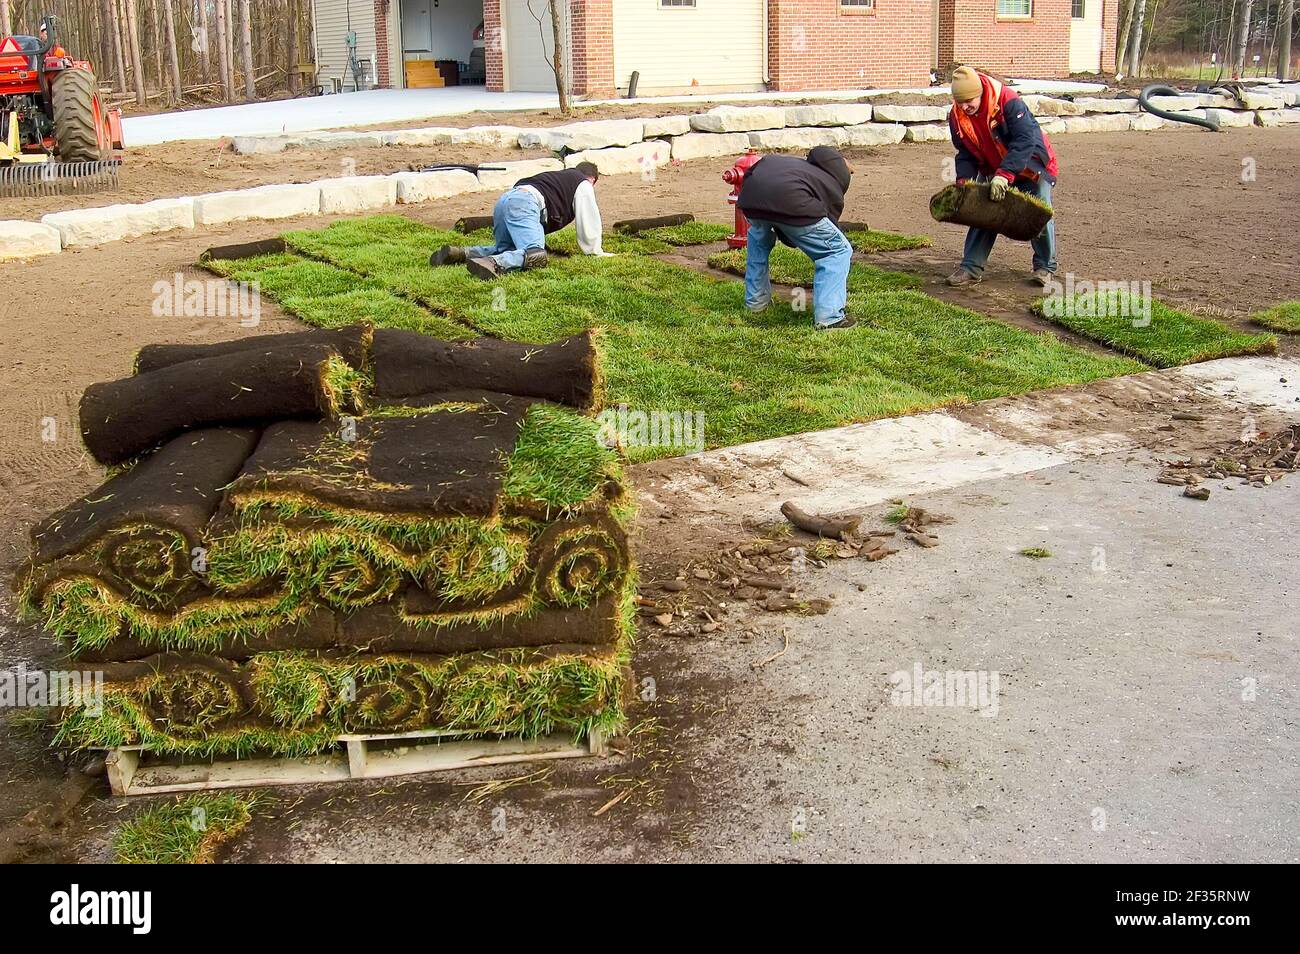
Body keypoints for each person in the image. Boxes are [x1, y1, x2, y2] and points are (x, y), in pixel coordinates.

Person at [946, 65, 1059, 288]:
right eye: (960, 102)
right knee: (984, 212)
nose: (965, 106)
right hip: (995, 167)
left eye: (970, 100)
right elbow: (965, 153)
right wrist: (964, 184)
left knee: (1038, 212)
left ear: (980, 92)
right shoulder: (956, 116)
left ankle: (1045, 268)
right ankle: (970, 268)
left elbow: (1025, 140)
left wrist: (1005, 175)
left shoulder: (1007, 100)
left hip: (1031, 164)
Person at [736, 145, 856, 331]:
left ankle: (756, 304)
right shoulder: (831, 187)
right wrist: (792, 236)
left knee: (759, 243)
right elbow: (819, 230)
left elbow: (754, 171)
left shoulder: (792, 165)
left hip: (752, 199)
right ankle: (830, 318)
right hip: (793, 202)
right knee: (837, 251)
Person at [430, 161, 610, 280]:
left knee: (507, 249)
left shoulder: (558, 178)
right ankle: (493, 263)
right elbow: (589, 218)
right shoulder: (582, 183)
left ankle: (463, 254)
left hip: (506, 200)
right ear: (592, 179)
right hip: (525, 203)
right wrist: (594, 250)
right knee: (535, 254)